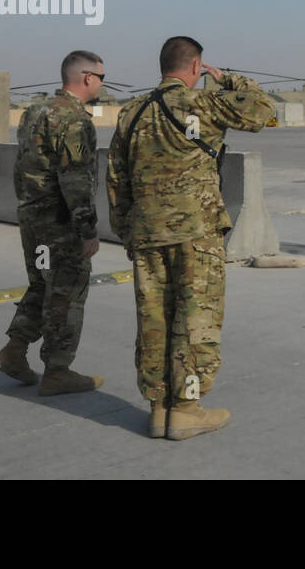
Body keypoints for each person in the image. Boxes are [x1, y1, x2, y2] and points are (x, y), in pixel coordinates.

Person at [106, 36, 276, 440]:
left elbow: (116, 178)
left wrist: (127, 231)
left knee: (154, 320)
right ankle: (186, 408)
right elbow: (263, 112)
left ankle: (159, 408)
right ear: (196, 67)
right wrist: (231, 79)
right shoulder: (201, 104)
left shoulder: (131, 111)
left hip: (147, 232)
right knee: (195, 319)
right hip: (196, 231)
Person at [0, 50, 105, 395]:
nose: (101, 84)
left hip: (31, 217)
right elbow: (74, 180)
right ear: (87, 78)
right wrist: (87, 230)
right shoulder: (75, 120)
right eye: (101, 77)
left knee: (42, 285)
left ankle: (14, 351)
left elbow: (23, 165)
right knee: (68, 291)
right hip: (59, 224)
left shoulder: (34, 111)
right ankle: (58, 370)